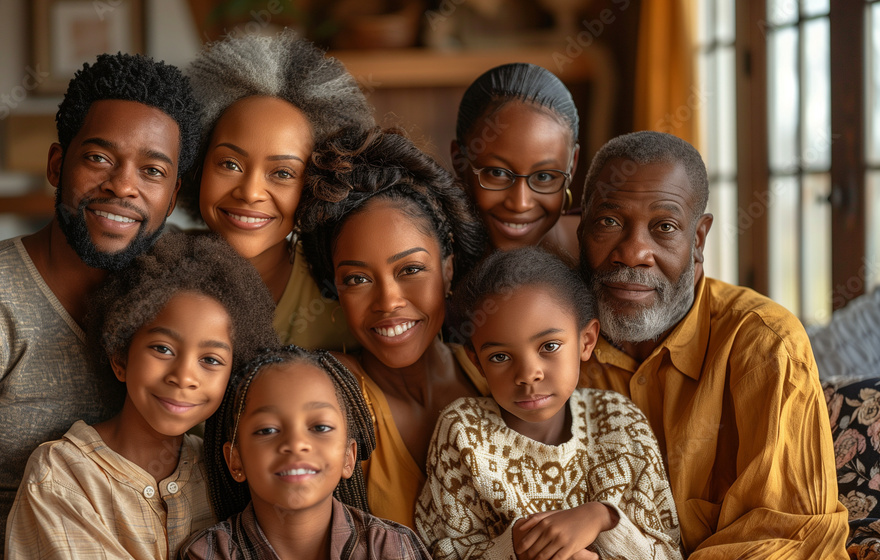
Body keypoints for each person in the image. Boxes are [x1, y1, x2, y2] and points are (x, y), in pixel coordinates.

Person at [0, 53, 201, 560]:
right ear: (57, 165)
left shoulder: (179, 291)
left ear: (173, 193)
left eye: (152, 170)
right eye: (99, 158)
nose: (123, 185)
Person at [576, 130, 849, 558]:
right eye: (609, 222)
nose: (632, 252)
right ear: (581, 229)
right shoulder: (550, 342)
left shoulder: (765, 344)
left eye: (665, 227)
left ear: (698, 239)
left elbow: (790, 535)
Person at [4, 231, 278, 559]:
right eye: (162, 349)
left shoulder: (223, 471)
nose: (184, 377)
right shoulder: (63, 475)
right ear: (121, 358)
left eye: (211, 360)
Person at [415, 247, 682, 560]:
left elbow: (668, 551)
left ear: (586, 341)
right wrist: (515, 547)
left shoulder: (620, 421)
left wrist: (604, 518)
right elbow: (438, 550)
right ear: (476, 362)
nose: (528, 374)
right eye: (499, 357)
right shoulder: (464, 432)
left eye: (550, 346)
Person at [297, 127, 488, 528]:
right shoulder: (331, 395)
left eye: (411, 270)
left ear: (447, 270)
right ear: (336, 290)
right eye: (357, 279)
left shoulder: (495, 373)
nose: (387, 302)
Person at [181, 31, 374, 352]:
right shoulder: (154, 276)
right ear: (198, 164)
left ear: (317, 183)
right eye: (230, 164)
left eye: (283, 173)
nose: (250, 192)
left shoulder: (340, 300)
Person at [180, 346, 432, 560]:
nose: (296, 443)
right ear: (235, 460)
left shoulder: (390, 548)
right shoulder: (208, 554)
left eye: (320, 427)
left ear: (348, 457)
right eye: (268, 430)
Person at [453, 63, 581, 256]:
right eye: (498, 173)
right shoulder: (429, 258)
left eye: (544, 177)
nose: (520, 204)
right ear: (459, 161)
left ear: (571, 166)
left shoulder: (603, 255)